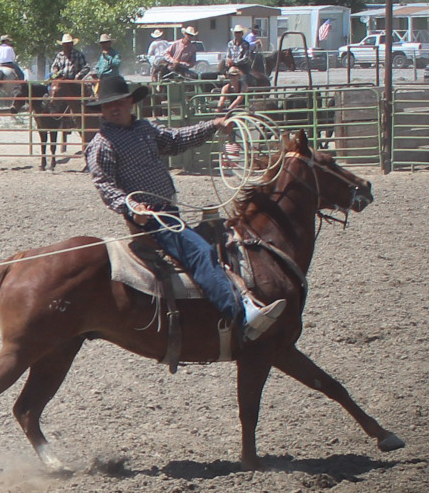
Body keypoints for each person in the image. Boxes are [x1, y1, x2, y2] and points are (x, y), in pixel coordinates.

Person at [82, 75, 286, 343]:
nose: (114, 109)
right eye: (108, 106)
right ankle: (242, 315)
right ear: (102, 110)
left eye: (118, 102)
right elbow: (105, 185)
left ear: (130, 102)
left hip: (168, 210)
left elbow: (177, 139)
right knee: (199, 251)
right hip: (150, 218)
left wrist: (213, 125)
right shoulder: (102, 143)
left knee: (223, 237)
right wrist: (131, 207)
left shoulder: (145, 129)